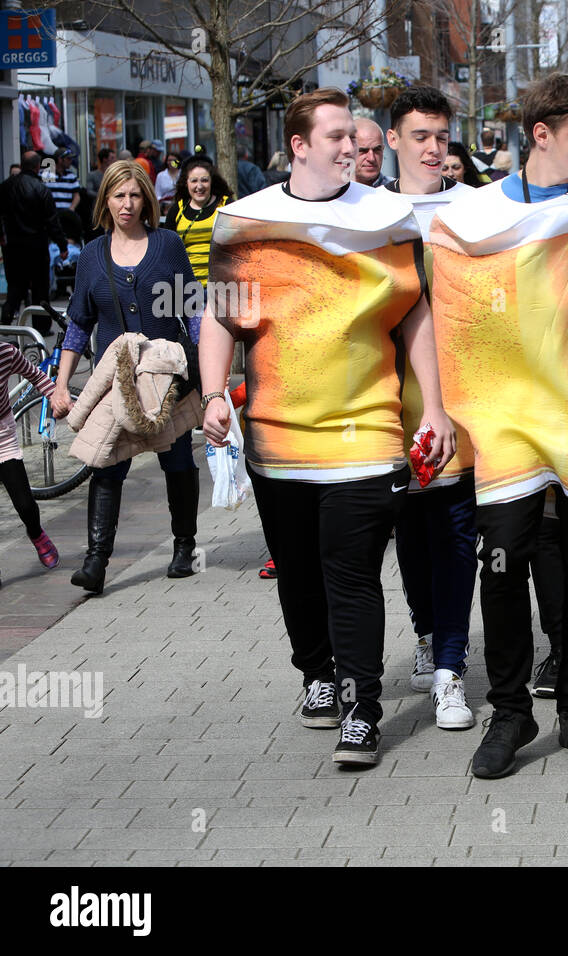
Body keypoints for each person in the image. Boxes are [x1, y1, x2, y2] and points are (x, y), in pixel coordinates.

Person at [199, 87, 455, 768]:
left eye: (355, 137)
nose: (352, 149)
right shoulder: (245, 221)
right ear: (299, 146)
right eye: (338, 137)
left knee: (352, 573)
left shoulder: (391, 215)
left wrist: (433, 406)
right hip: (278, 437)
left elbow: (415, 314)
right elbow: (220, 316)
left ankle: (361, 708)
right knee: (299, 574)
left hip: (368, 436)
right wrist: (212, 393)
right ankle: (316, 673)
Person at [427, 73, 568, 779]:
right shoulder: (474, 214)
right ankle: (511, 712)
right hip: (504, 424)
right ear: (540, 134)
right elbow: (448, 309)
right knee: (503, 564)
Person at [50, 160, 203, 592]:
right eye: (119, 195)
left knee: (175, 459)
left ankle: (184, 546)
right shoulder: (91, 255)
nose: (127, 204)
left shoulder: (168, 245)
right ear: (106, 201)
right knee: (106, 464)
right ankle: (96, 562)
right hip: (115, 379)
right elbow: (79, 323)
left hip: (164, 377)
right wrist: (61, 384)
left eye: (135, 195)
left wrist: (210, 380)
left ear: (146, 200)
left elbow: (192, 312)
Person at [380, 86, 479, 730]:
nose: (434, 147)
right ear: (392, 140)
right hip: (385, 398)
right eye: (420, 136)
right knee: (410, 535)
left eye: (441, 136)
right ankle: (425, 635)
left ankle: (451, 668)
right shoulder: (369, 212)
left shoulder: (475, 208)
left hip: (462, 397)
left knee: (456, 533)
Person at [1, 342, 61, 576]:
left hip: (2, 436)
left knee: (25, 504)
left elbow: (37, 376)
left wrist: (57, 397)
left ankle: (36, 532)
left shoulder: (6, 353)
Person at [0, 151, 67, 325]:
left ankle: (6, 321)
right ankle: (42, 326)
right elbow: (52, 220)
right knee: (40, 290)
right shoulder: (41, 189)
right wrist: (62, 245)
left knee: (15, 288)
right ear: (38, 167)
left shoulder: (5, 187)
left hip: (12, 247)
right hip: (36, 246)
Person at [163, 154, 234, 287]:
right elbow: (167, 250)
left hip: (222, 288)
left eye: (204, 180)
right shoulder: (177, 210)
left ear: (212, 181)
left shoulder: (226, 205)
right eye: (194, 181)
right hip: (186, 290)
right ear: (186, 183)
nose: (199, 186)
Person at [353, 118, 390, 188]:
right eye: (363, 151)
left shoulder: (400, 193)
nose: (371, 158)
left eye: (377, 150)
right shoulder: (331, 193)